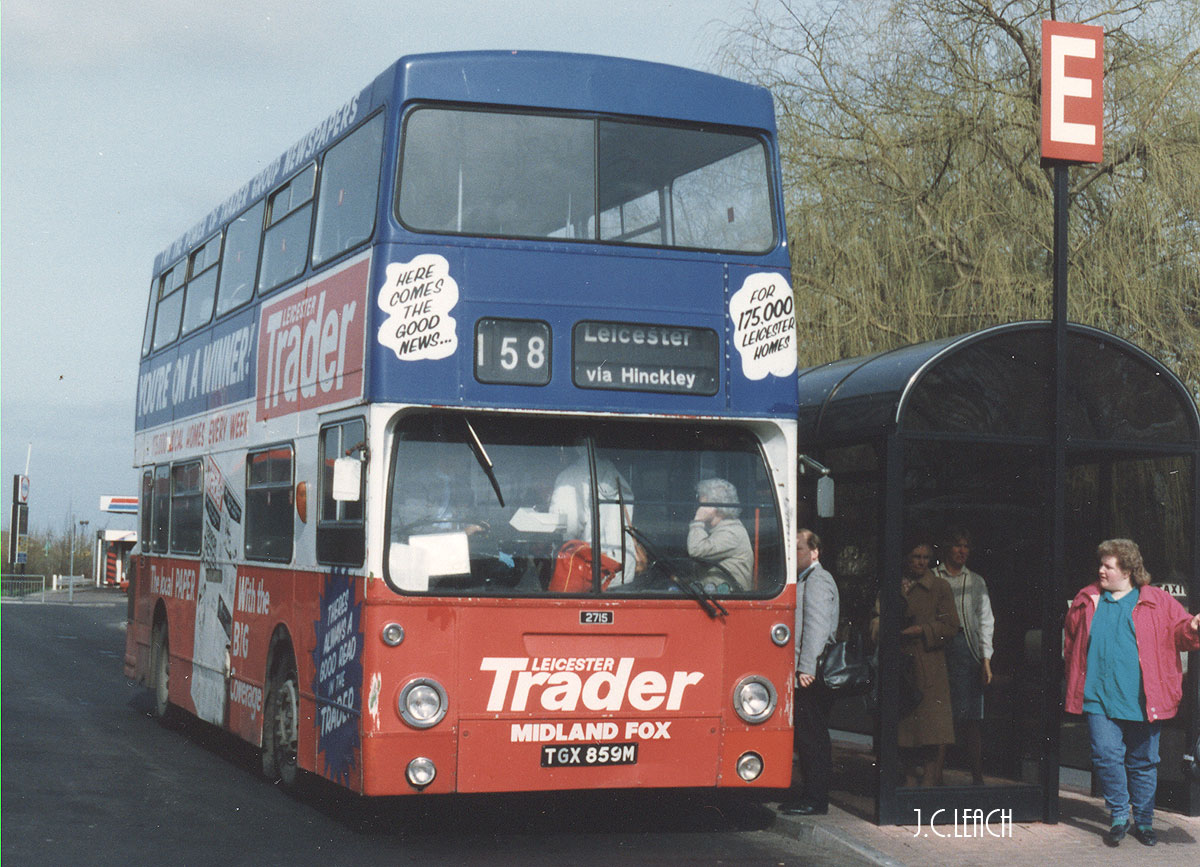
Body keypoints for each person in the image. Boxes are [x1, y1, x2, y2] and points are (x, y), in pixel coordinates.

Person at [1063, 538, 1200, 847]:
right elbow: (1071, 639)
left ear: (1126, 570)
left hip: (1143, 698)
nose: (1100, 570)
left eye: (1107, 566)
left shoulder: (1156, 600)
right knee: (1105, 755)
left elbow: (1182, 634)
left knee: (1143, 761)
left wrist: (1192, 625)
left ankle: (1145, 822)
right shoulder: (1088, 599)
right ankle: (1119, 815)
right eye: (1101, 564)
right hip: (1098, 697)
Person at [873, 540, 959, 786]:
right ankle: (909, 784)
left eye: (925, 557)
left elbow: (951, 626)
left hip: (928, 665)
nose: (921, 562)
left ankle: (929, 785)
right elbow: (876, 617)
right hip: (899, 662)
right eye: (915, 556)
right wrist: (883, 630)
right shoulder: (892, 585)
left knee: (931, 731)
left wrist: (923, 630)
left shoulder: (939, 587)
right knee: (905, 732)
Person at [780, 529, 840, 816]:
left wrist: (806, 668)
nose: (795, 556)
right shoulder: (806, 579)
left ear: (815, 552)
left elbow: (817, 627)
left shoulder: (818, 580)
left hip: (810, 674)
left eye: (799, 550)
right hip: (806, 671)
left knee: (812, 737)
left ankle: (816, 799)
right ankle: (809, 795)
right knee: (806, 736)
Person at [933, 528, 994, 785]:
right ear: (948, 547)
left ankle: (977, 778)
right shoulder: (934, 576)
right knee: (939, 718)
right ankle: (934, 776)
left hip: (966, 651)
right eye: (958, 545)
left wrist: (985, 659)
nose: (962, 551)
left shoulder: (976, 581)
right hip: (937, 650)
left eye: (966, 546)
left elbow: (985, 621)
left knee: (971, 719)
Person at [549, 450, 636, 583]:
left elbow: (567, 529)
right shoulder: (614, 472)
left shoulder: (569, 478)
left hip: (591, 572)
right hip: (624, 570)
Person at [686, 478, 753, 591]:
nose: (699, 509)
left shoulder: (731, 532)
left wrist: (698, 521)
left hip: (729, 602)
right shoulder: (715, 530)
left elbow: (696, 550)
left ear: (715, 507)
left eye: (703, 505)